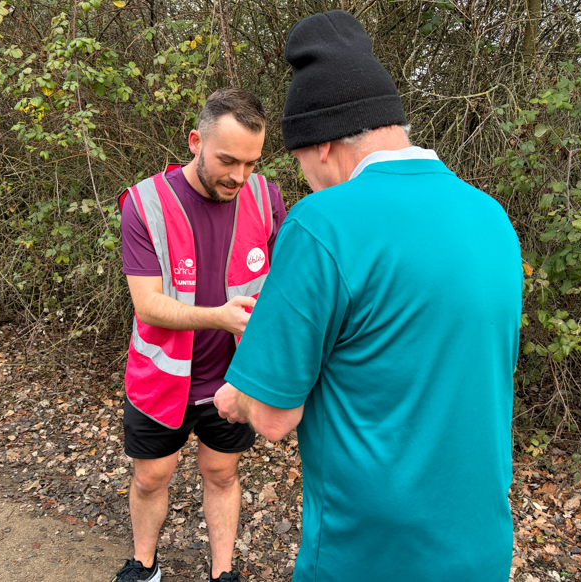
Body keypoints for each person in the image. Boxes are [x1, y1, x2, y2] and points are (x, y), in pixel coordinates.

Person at [215, 10, 521, 582]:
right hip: (481, 551)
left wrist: (237, 397)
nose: (304, 178)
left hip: (368, 558)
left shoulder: (321, 223)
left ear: (323, 144)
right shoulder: (491, 219)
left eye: (300, 161)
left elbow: (276, 416)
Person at [112, 87, 287, 582]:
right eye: (229, 160)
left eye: (252, 163)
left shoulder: (265, 197)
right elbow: (147, 305)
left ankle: (222, 573)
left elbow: (283, 281)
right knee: (151, 478)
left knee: (222, 473)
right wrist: (220, 317)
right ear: (195, 142)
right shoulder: (145, 204)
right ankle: (143, 566)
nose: (240, 176)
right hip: (160, 380)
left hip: (233, 379)